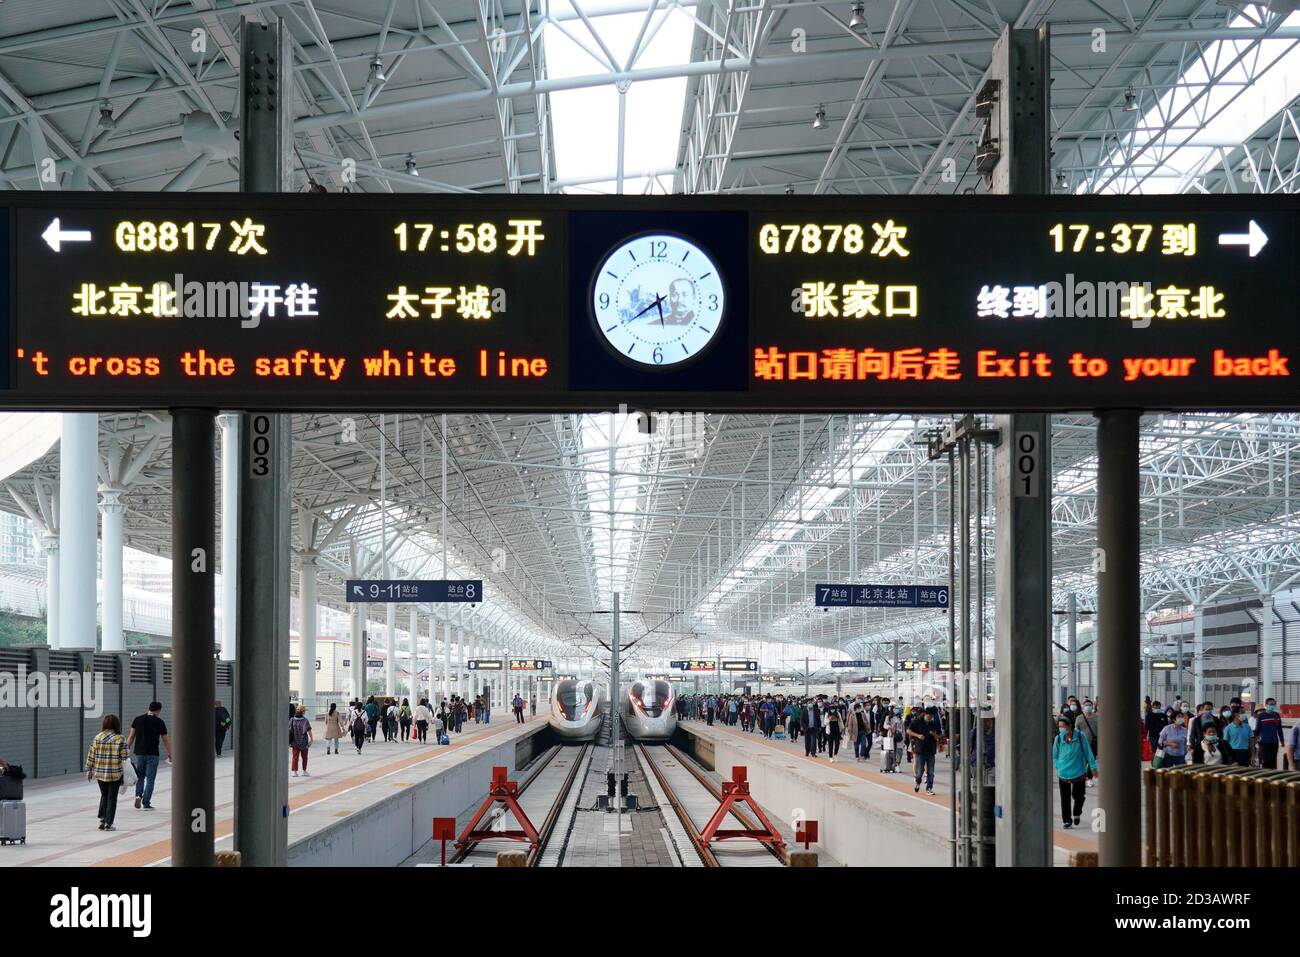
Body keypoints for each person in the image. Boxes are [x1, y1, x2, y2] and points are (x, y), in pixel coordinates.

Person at [85, 714, 130, 831]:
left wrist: (89, 770)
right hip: (115, 773)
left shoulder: (97, 737)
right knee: (112, 797)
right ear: (116, 724)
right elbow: (125, 756)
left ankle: (102, 820)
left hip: (100, 773)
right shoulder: (120, 738)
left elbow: (91, 755)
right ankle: (109, 823)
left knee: (104, 795)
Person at [1052, 713, 1096, 828]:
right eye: (1059, 726)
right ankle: (1067, 820)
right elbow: (1054, 755)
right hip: (1063, 773)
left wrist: (1093, 767)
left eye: (1063, 726)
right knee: (1065, 799)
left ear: (1070, 726)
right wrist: (1058, 765)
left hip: (1079, 772)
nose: (1061, 729)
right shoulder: (1058, 739)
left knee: (1079, 796)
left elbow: (1088, 753)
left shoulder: (1080, 737)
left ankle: (1077, 812)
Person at [126, 700, 172, 811]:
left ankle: (138, 795)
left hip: (140, 753)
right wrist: (171, 753)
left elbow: (131, 736)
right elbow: (165, 739)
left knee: (140, 776)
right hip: (153, 753)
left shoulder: (138, 719)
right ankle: (146, 802)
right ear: (158, 710)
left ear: (149, 708)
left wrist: (125, 749)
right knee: (150, 778)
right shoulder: (160, 722)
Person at [909, 705, 941, 794]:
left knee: (931, 771)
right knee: (920, 771)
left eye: (932, 716)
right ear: (925, 714)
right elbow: (909, 731)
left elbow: (938, 737)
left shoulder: (934, 723)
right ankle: (917, 782)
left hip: (931, 750)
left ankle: (929, 788)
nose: (930, 718)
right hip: (920, 750)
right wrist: (918, 735)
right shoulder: (917, 721)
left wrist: (934, 734)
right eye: (929, 716)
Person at [1075, 700, 1099, 788]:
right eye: (1086, 705)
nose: (1088, 707)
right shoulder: (1079, 718)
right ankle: (1082, 778)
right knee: (1082, 761)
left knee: (1091, 761)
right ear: (1083, 707)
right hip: (1082, 743)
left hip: (1093, 743)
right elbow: (1076, 729)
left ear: (1092, 707)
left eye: (1089, 705)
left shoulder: (1097, 717)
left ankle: (1089, 779)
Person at [1253, 698, 1283, 769]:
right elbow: (1257, 729)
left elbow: (1279, 729)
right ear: (1266, 705)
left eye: (1274, 704)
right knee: (1266, 762)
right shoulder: (1261, 716)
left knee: (1273, 761)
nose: (1273, 706)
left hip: (1274, 742)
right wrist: (1254, 740)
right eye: (1271, 704)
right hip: (1264, 743)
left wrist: (1282, 741)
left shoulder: (1277, 715)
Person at [290, 704, 313, 776]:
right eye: (304, 711)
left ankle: (294, 771)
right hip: (304, 741)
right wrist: (311, 739)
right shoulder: (305, 720)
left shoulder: (292, 720)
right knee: (305, 757)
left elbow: (289, 730)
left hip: (295, 741)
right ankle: (304, 771)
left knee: (295, 757)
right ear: (302, 712)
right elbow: (309, 730)